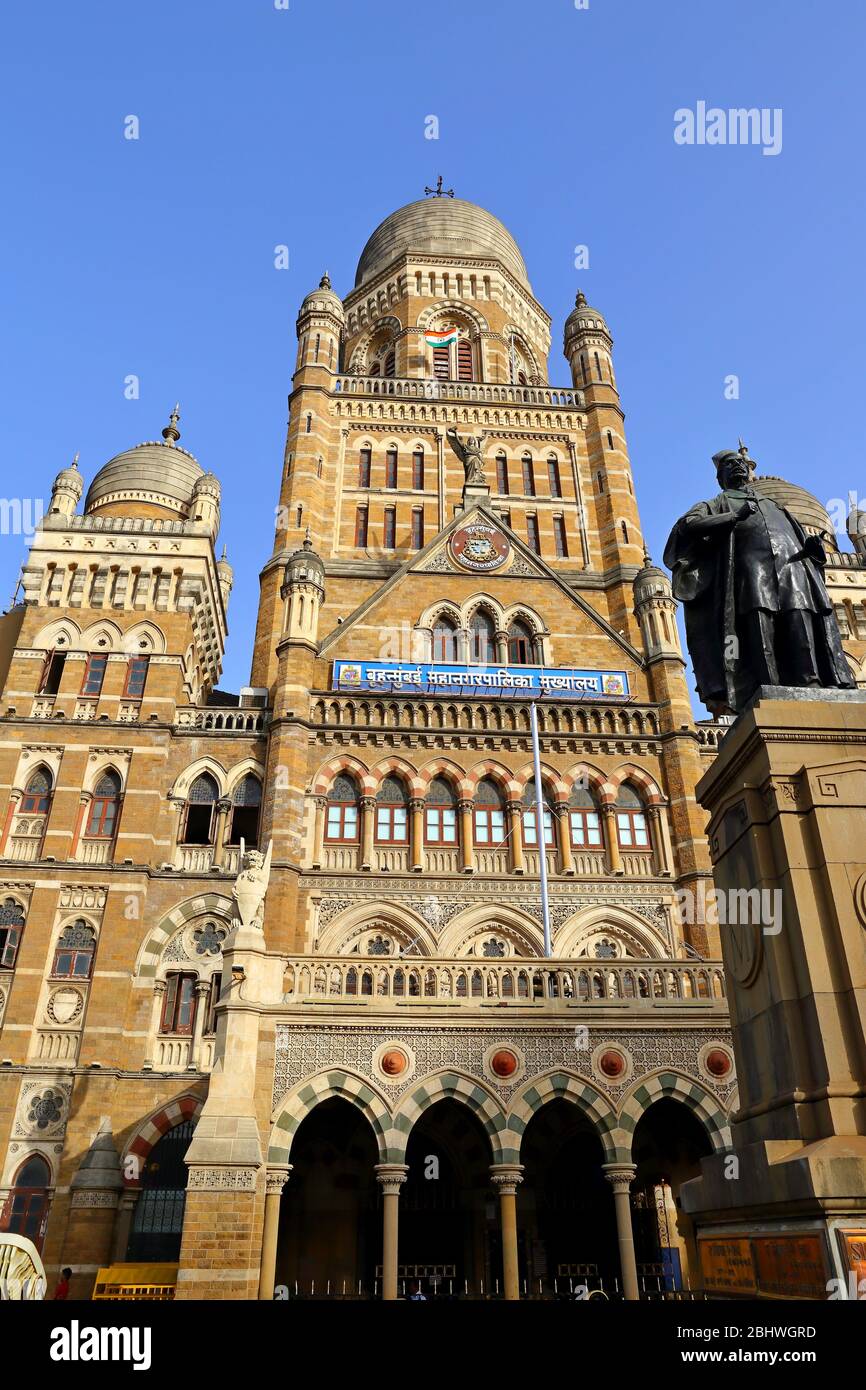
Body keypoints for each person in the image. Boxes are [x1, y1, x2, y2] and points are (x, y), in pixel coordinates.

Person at [664, 444, 854, 714]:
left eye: (739, 463)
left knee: (802, 625)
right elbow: (686, 527)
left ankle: (810, 682)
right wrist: (732, 517)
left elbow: (798, 539)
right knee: (759, 626)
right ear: (721, 478)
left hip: (793, 572)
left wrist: (814, 550)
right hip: (751, 573)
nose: (738, 466)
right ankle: (768, 686)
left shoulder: (774, 505)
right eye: (729, 465)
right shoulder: (716, 503)